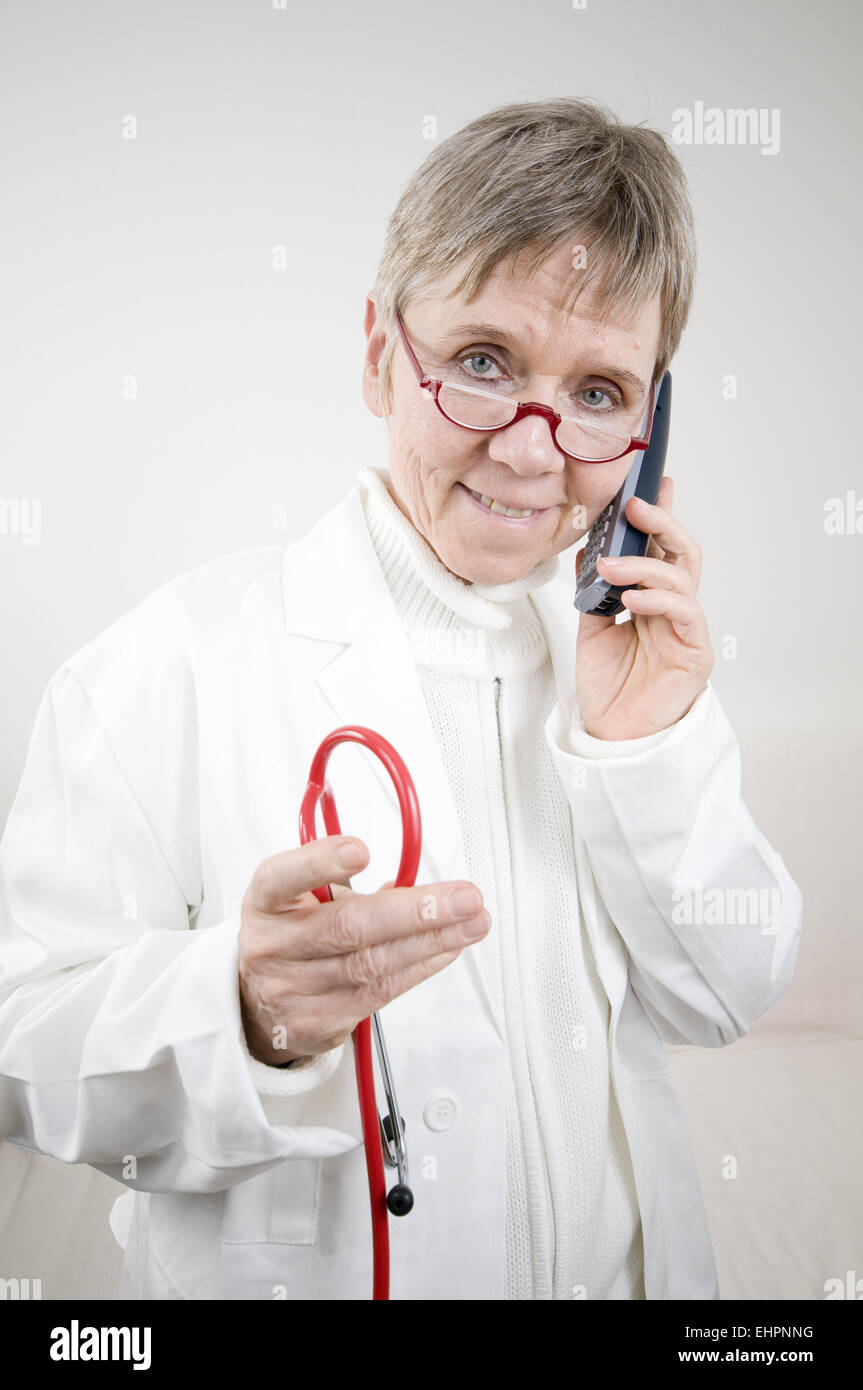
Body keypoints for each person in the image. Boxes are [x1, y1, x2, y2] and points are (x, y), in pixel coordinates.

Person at [0, 96, 802, 1301]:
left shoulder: (633, 670)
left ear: (650, 420)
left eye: (596, 392)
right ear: (380, 352)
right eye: (483, 363)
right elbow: (22, 1054)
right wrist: (243, 1013)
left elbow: (725, 998)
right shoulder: (165, 666)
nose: (535, 451)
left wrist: (648, 752)